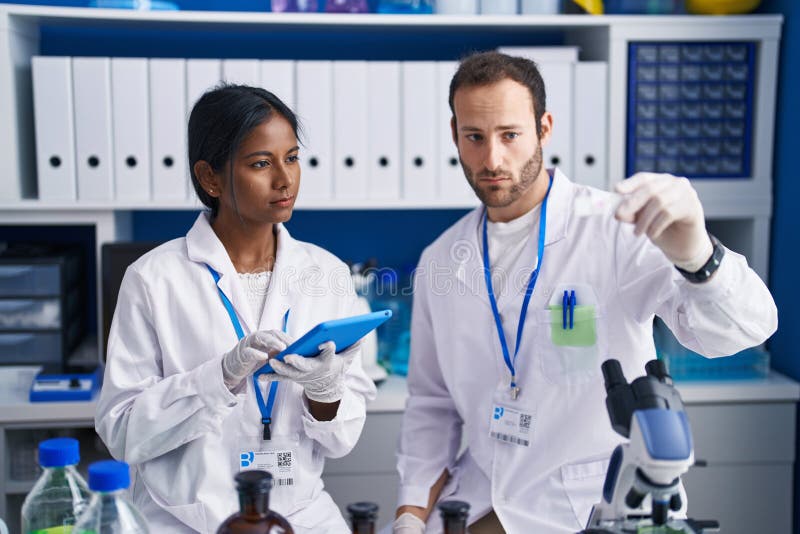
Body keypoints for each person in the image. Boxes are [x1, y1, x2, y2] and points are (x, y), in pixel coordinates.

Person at [391, 51, 777, 534]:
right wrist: (409, 512)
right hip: (482, 502)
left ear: (544, 128)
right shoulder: (442, 260)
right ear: (455, 136)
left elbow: (744, 330)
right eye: (475, 137)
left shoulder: (615, 229)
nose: (492, 158)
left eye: (510, 135)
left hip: (595, 504)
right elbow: (433, 403)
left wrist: (699, 256)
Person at [96, 84, 376, 533]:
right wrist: (218, 378)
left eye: (292, 157)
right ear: (210, 178)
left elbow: (341, 440)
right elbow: (122, 432)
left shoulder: (327, 273)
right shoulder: (153, 279)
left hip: (299, 517)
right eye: (261, 163)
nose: (285, 179)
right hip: (182, 521)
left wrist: (326, 393)